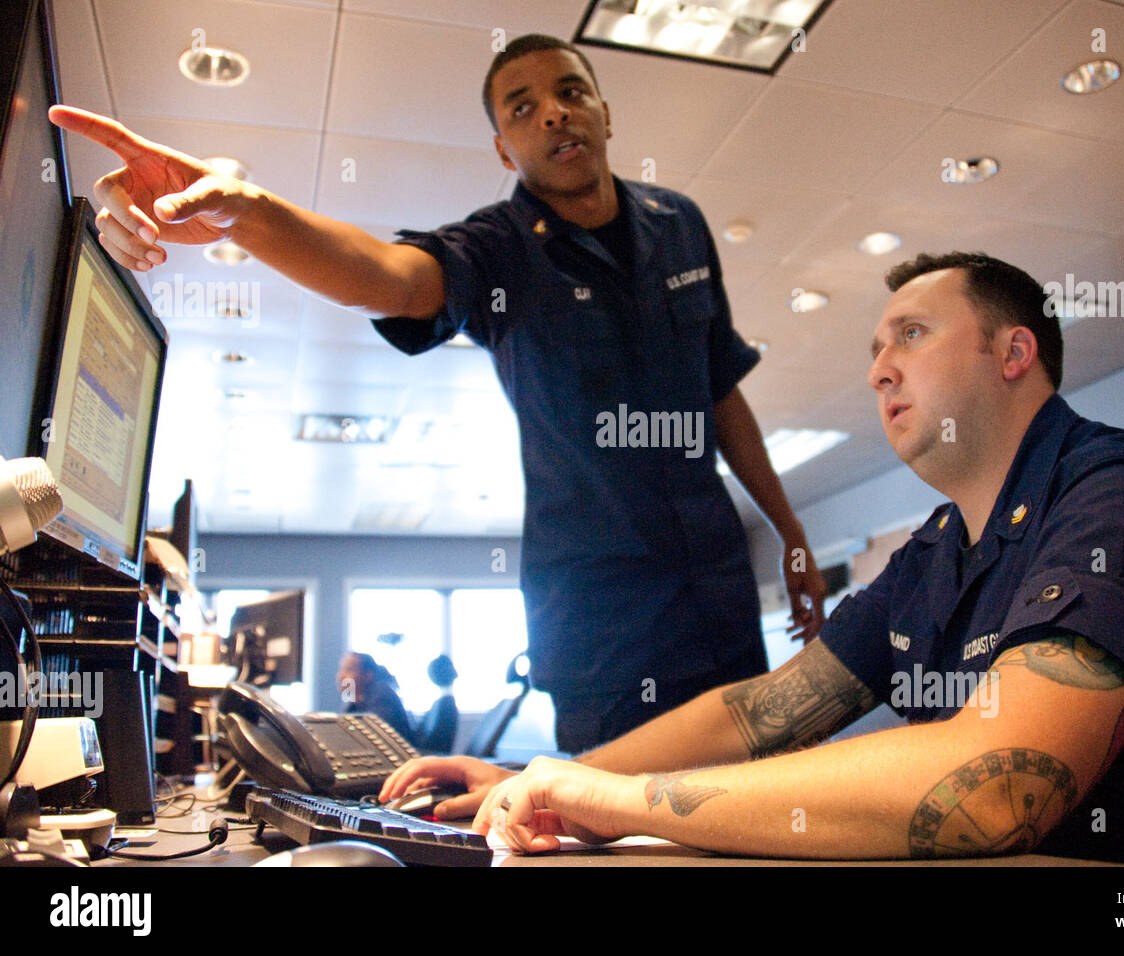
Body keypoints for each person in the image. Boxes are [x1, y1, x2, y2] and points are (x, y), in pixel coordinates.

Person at [378, 252, 1124, 865]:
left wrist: (618, 801)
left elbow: (1000, 786)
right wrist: (550, 776)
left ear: (1014, 351)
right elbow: (756, 714)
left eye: (912, 334)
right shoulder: (936, 553)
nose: (877, 371)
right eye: (874, 348)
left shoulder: (1123, 492)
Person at [50, 34, 828, 752]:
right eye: (522, 108)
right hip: (604, 628)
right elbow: (389, 279)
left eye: (571, 91)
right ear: (502, 145)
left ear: (604, 112)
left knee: (755, 811)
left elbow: (720, 390)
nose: (554, 111)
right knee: (623, 836)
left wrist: (789, 529)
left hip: (720, 596)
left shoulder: (680, 223)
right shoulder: (500, 250)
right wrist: (247, 216)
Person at [337, 652, 416, 746]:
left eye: (349, 670)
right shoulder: (355, 702)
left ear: (368, 675)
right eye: (341, 670)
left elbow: (375, 736)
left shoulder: (381, 695)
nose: (341, 676)